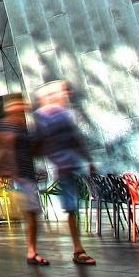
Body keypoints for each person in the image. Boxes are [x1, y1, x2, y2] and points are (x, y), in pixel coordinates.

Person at [35, 81, 97, 266]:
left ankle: (78, 248)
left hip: (70, 166)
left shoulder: (63, 114)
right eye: (57, 92)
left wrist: (88, 159)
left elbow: (74, 139)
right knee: (71, 208)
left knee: (73, 208)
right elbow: (42, 141)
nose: (63, 95)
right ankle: (78, 248)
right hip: (63, 167)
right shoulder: (44, 115)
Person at [0, 93, 47, 265]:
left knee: (32, 213)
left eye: (22, 104)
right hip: (17, 176)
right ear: (8, 107)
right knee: (30, 212)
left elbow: (34, 150)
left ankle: (32, 250)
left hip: (27, 173)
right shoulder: (2, 126)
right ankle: (31, 251)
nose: (20, 107)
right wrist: (2, 170)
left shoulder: (25, 127)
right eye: (17, 104)